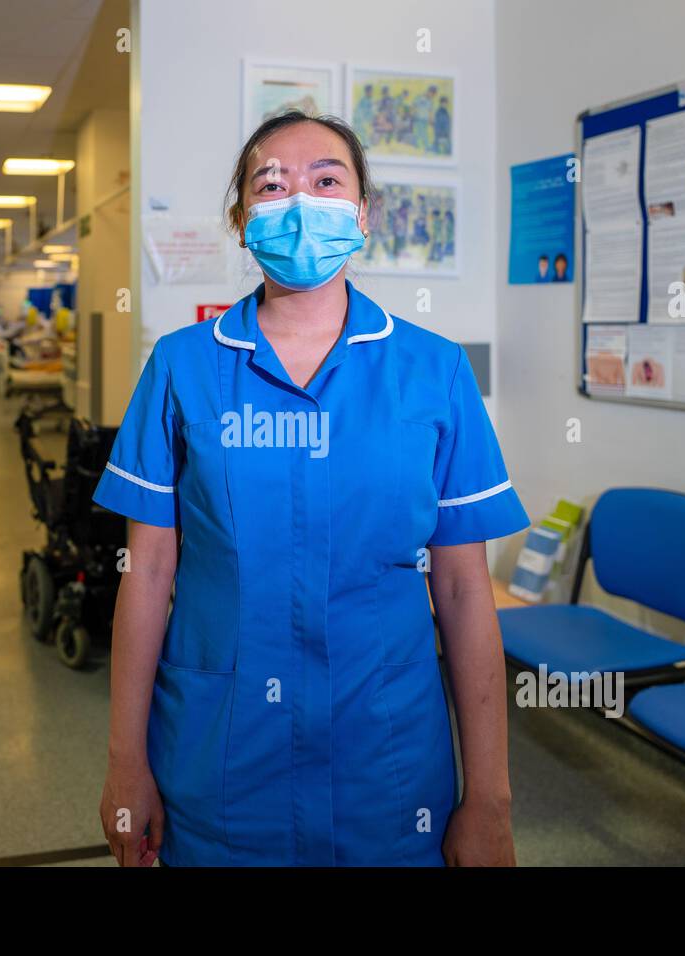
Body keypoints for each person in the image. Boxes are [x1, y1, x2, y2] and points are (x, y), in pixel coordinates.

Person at [95, 110, 528, 867]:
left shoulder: (435, 371)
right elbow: (149, 574)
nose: (300, 200)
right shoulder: (181, 367)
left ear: (362, 214)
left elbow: (463, 592)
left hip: (387, 767)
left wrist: (489, 798)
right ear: (241, 219)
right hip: (219, 760)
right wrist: (125, 764)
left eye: (326, 180)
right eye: (272, 183)